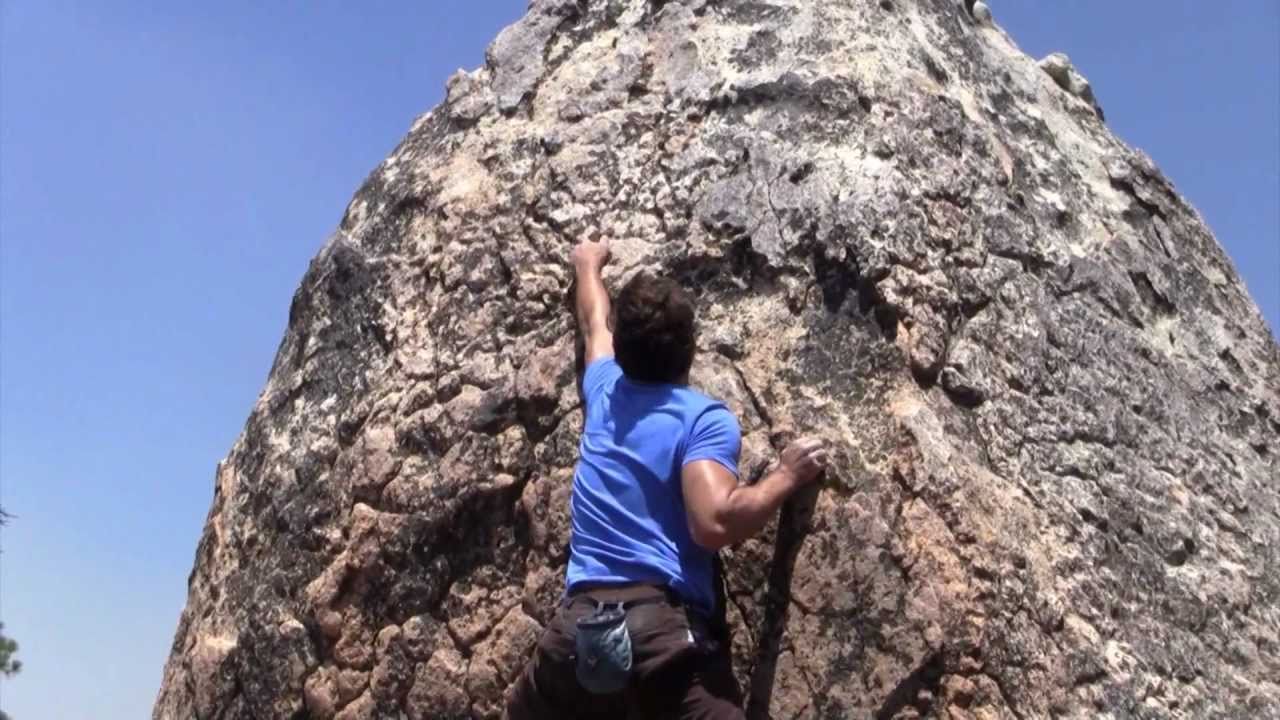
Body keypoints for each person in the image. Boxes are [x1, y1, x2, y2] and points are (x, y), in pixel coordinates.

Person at [505, 237, 827, 720]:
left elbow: (593, 320)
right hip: (659, 636)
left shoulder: (604, 389)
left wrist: (587, 264)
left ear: (624, 348)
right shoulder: (699, 419)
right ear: (689, 352)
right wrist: (785, 476)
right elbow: (714, 524)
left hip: (576, 637)